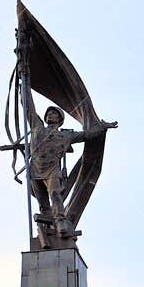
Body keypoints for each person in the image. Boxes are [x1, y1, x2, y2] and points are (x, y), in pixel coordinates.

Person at [27, 101, 116, 239]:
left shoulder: (66, 136)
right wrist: (23, 85)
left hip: (52, 169)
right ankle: (47, 229)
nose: (50, 114)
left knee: (55, 193)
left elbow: (86, 134)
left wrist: (102, 127)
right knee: (43, 204)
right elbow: (29, 107)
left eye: (54, 113)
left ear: (60, 119)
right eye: (49, 113)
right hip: (35, 169)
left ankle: (60, 220)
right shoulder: (37, 127)